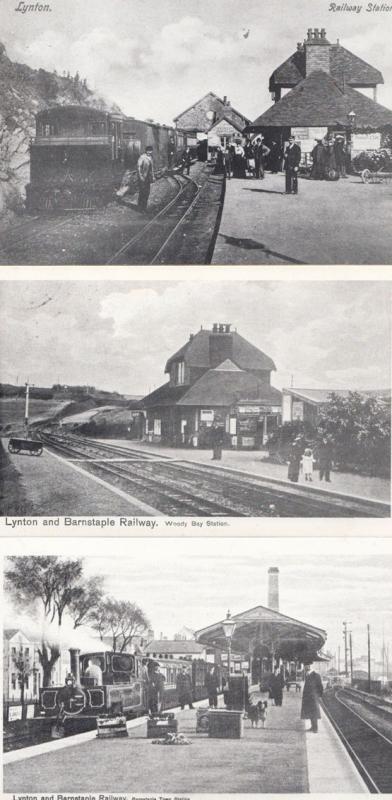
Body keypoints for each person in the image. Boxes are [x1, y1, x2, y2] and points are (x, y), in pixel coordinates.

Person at [301, 666, 323, 732]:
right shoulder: (308, 676)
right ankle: (312, 727)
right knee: (310, 712)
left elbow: (320, 687)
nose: (306, 672)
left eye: (307, 671)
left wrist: (319, 695)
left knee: (314, 713)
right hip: (308, 697)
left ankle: (315, 728)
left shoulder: (316, 675)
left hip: (313, 697)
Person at [137, 145, 155, 211]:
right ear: (146, 151)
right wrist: (140, 176)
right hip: (142, 177)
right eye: (148, 151)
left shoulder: (150, 157)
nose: (149, 153)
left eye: (150, 152)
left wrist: (153, 176)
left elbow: (151, 168)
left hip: (148, 178)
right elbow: (138, 167)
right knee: (142, 192)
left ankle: (144, 207)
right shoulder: (142, 157)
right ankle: (140, 207)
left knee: (147, 192)